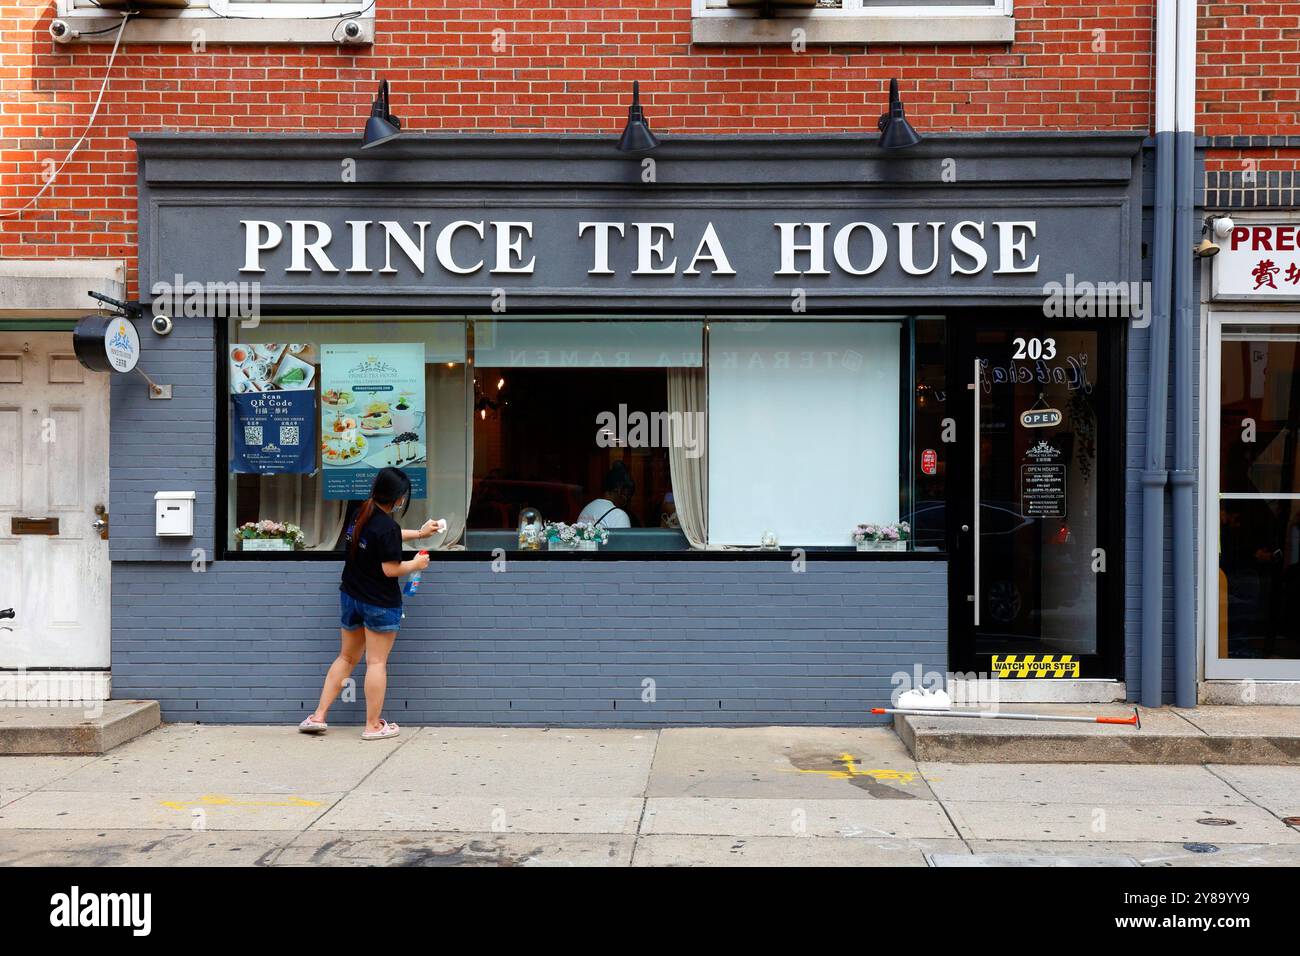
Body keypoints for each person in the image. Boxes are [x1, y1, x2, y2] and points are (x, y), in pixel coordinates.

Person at [298, 467, 445, 740]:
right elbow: (390, 568)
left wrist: (421, 534)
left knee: (346, 657)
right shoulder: (386, 526)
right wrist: (417, 563)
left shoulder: (361, 512)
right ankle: (373, 725)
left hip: (351, 597)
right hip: (379, 602)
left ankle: (318, 716)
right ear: (399, 498)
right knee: (376, 663)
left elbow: (387, 537)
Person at [578, 461, 635, 528]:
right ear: (618, 490)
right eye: (627, 495)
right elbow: (624, 539)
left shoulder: (587, 509)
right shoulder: (618, 515)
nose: (628, 501)